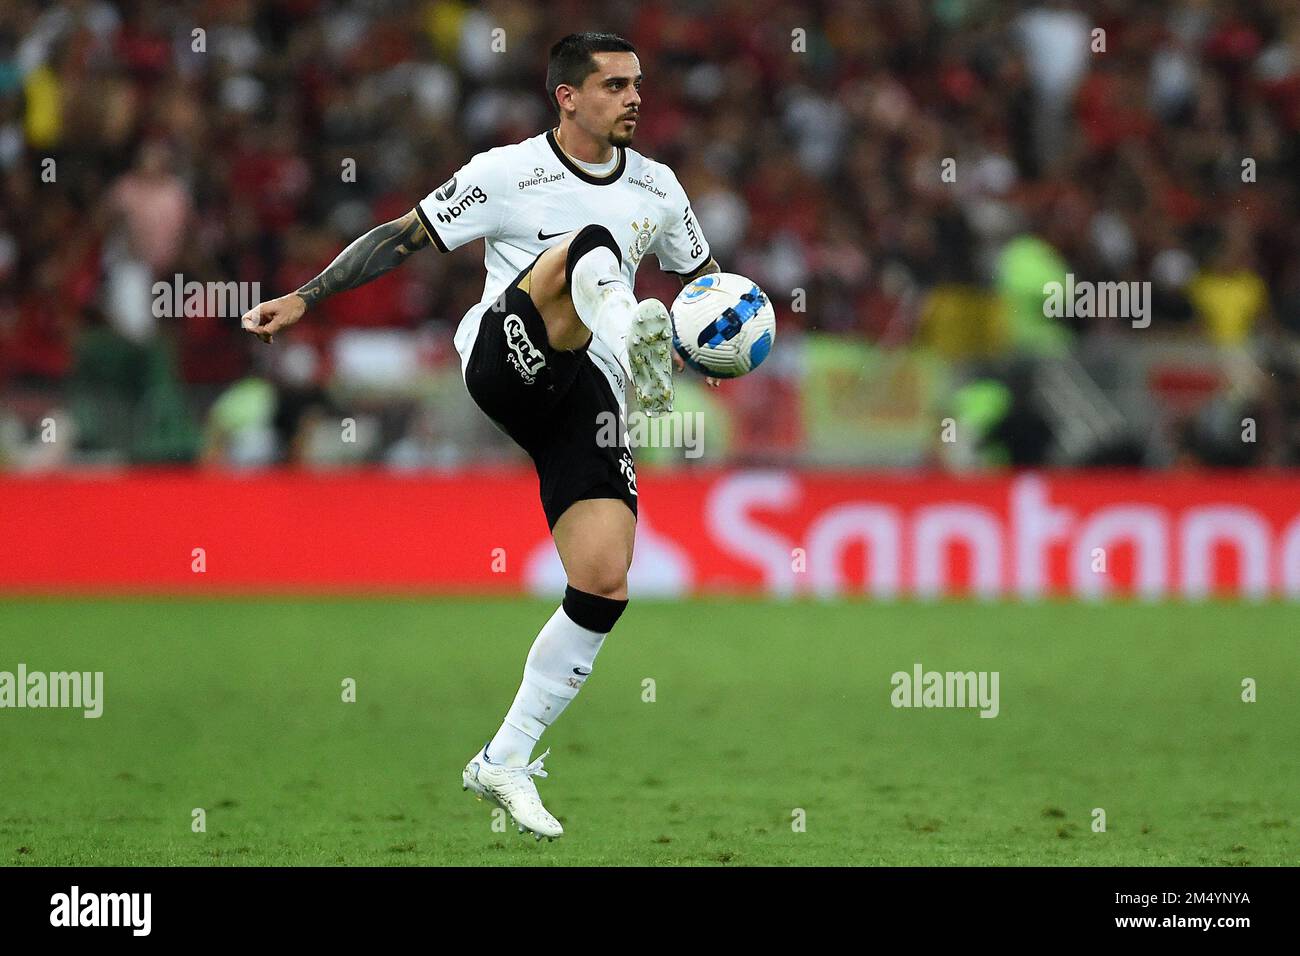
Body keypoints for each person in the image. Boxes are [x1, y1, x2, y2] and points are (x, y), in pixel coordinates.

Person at [241, 32, 719, 839]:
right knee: (588, 246)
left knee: (604, 579)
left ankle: (503, 758)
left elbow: (706, 280)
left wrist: (721, 332)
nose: (635, 97)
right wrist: (306, 296)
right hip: (506, 356)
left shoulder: (661, 190)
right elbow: (402, 233)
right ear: (566, 96)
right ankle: (634, 342)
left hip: (586, 393)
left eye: (638, 84)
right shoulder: (507, 173)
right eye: (613, 85)